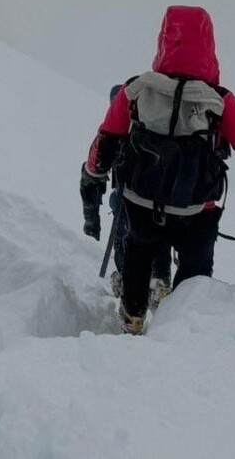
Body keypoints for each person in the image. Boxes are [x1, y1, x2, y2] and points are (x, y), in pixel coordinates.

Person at [79, 6, 235, 334]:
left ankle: (132, 318)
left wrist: (94, 172)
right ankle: (180, 330)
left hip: (142, 202)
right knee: (195, 266)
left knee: (139, 247)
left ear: (164, 39)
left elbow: (105, 142)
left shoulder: (138, 88)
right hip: (194, 211)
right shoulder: (219, 100)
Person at [82, 85, 172, 305]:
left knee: (123, 215)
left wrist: (91, 220)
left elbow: (91, 173)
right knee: (158, 225)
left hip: (131, 197)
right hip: (162, 199)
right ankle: (159, 278)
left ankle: (126, 277)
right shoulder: (155, 130)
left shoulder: (113, 132)